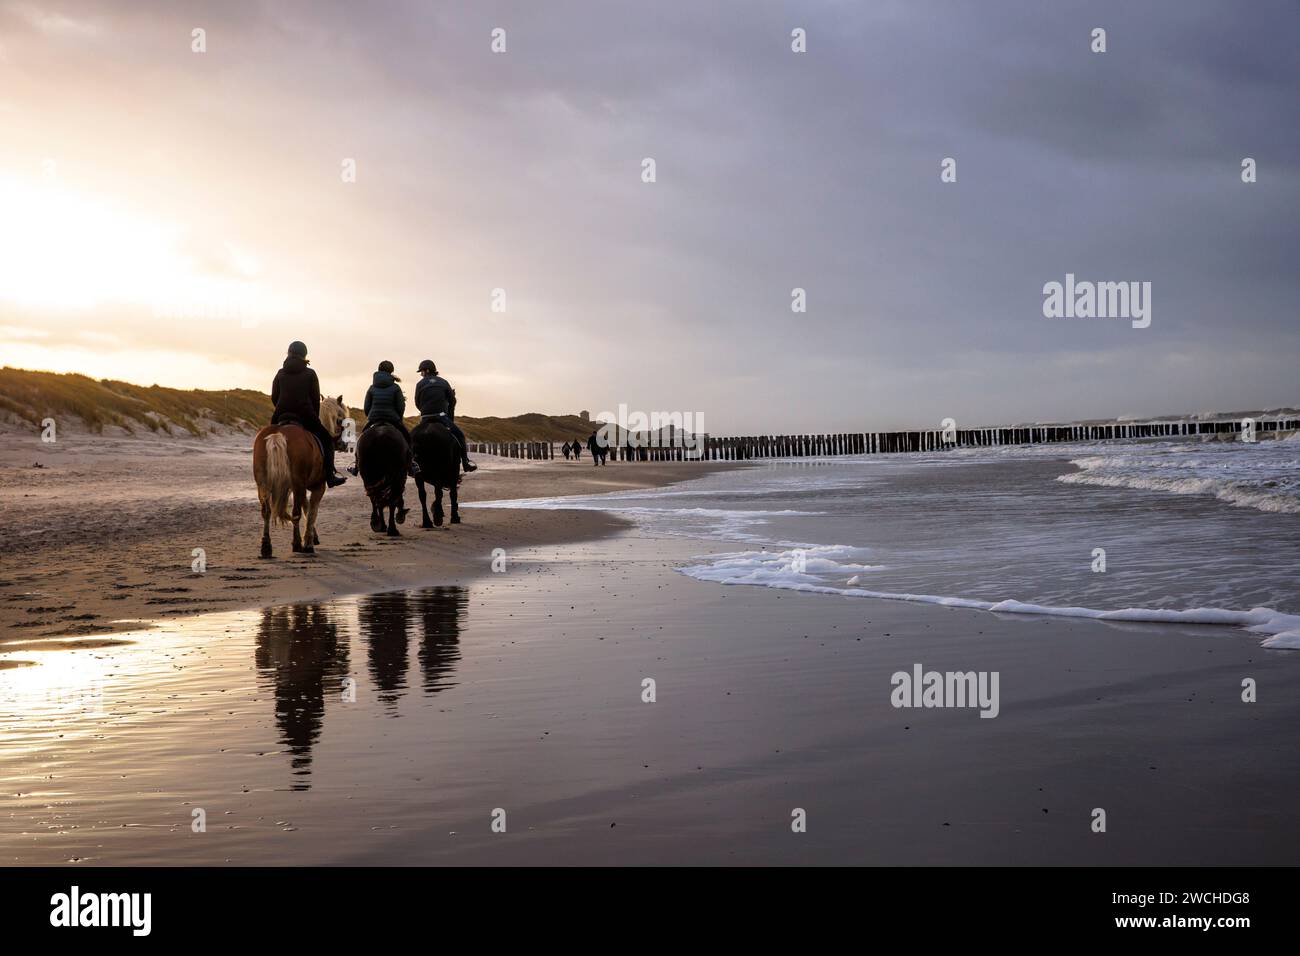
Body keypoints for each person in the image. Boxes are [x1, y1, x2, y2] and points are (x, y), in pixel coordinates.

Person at [270, 341, 346, 487]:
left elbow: (274, 397)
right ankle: (330, 477)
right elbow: (315, 399)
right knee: (327, 441)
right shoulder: (310, 373)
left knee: (266, 438)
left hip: (280, 416)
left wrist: (281, 409)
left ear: (289, 353)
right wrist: (313, 416)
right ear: (304, 355)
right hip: (306, 416)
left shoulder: (280, 373)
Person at [413, 359, 477, 473]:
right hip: (441, 416)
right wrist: (446, 411)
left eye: (422, 372)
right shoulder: (444, 382)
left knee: (411, 438)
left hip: (425, 417)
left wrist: (424, 411)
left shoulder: (419, 384)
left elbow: (417, 402)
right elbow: (452, 400)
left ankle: (412, 463)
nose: (421, 374)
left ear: (427, 370)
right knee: (460, 436)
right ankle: (465, 462)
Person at [360, 360, 419, 477]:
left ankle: (357, 464)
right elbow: (401, 407)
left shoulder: (371, 388)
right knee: (408, 438)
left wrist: (371, 417)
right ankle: (411, 463)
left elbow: (366, 407)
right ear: (391, 372)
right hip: (393, 419)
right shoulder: (396, 388)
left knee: (361, 438)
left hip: (374, 419)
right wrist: (398, 418)